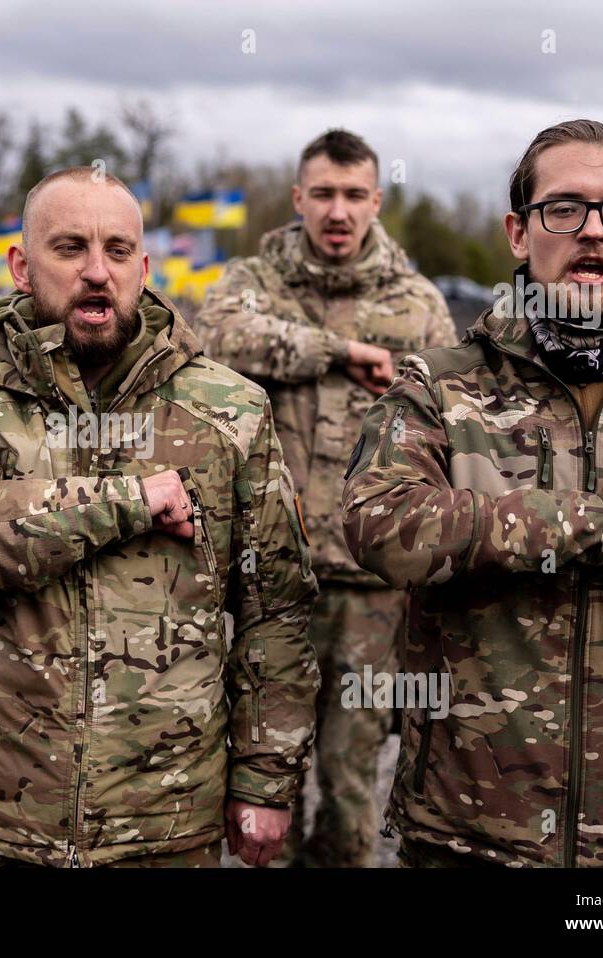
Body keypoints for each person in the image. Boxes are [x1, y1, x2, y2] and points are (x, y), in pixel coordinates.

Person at [343, 119, 603, 867]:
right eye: (563, 208)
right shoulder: (441, 385)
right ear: (518, 234)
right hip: (470, 826)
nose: (592, 230)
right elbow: (378, 524)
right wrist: (576, 524)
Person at [0, 168, 318, 868]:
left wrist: (267, 778)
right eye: (69, 248)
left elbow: (277, 610)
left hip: (167, 821)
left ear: (144, 268)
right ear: (22, 267)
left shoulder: (227, 410)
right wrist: (123, 502)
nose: (96, 271)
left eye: (117, 251)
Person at [197, 129, 454, 866]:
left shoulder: (417, 305)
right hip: (265, 580)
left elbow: (450, 437)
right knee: (257, 784)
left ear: (376, 201)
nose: (337, 212)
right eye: (323, 195)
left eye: (353, 196)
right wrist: (338, 353)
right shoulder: (255, 281)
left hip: (370, 590)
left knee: (350, 785)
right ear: (297, 199)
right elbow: (215, 337)